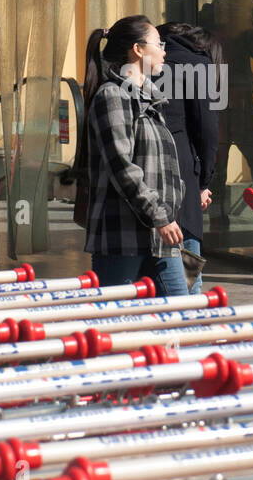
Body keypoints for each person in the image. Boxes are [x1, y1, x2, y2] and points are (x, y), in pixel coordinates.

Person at [80, 15, 187, 295]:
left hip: (160, 235)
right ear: (137, 49)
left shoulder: (150, 97)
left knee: (181, 316)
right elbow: (121, 165)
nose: (164, 50)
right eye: (159, 43)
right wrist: (159, 215)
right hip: (123, 238)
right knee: (120, 324)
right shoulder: (112, 95)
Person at [199, 0, 253, 226]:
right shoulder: (213, 15)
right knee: (252, 157)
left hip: (223, 95)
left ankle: (221, 217)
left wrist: (249, 22)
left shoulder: (214, 14)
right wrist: (249, 22)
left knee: (227, 159)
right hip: (230, 95)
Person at [157, 22, 220, 291]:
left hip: (144, 176)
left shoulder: (133, 64)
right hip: (182, 170)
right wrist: (203, 183)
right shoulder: (196, 63)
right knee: (187, 257)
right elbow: (207, 129)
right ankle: (190, 318)